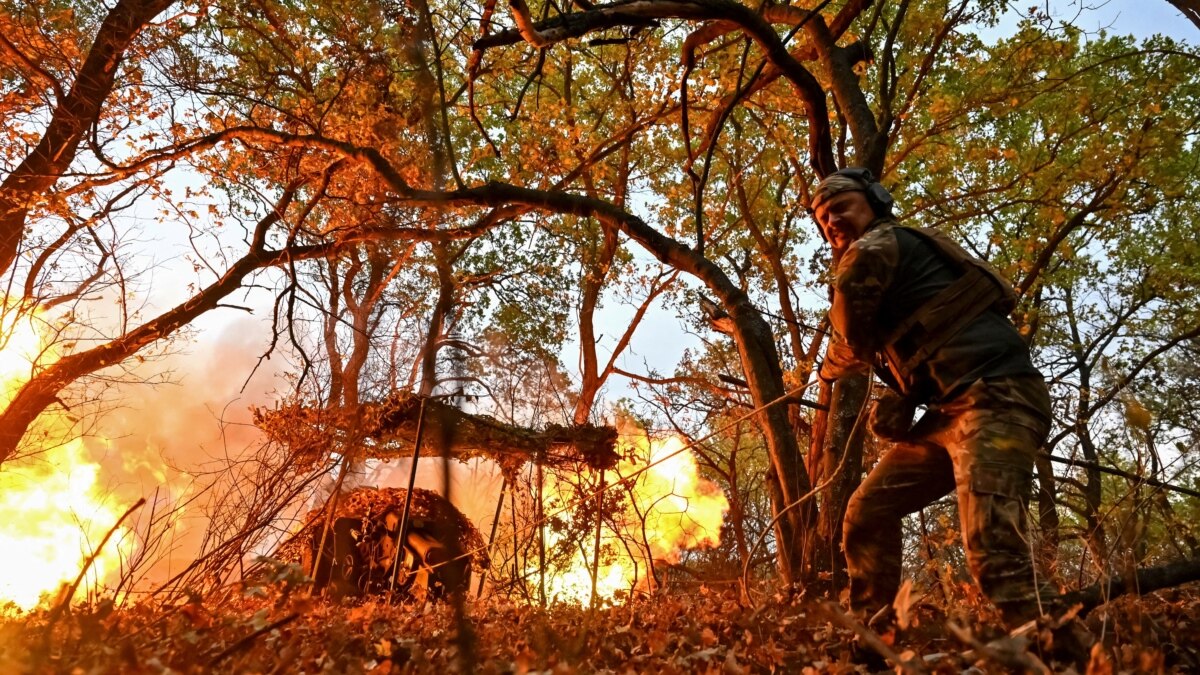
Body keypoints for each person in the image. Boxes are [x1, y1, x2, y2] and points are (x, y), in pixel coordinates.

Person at [810, 168, 1091, 663]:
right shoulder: (892, 276)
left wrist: (827, 373)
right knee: (866, 513)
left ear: (875, 201)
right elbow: (900, 351)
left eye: (840, 206)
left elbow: (851, 336)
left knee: (992, 547)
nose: (831, 218)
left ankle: (1074, 657)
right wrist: (900, 399)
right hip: (948, 416)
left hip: (996, 398)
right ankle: (875, 647)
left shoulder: (877, 247)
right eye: (822, 217)